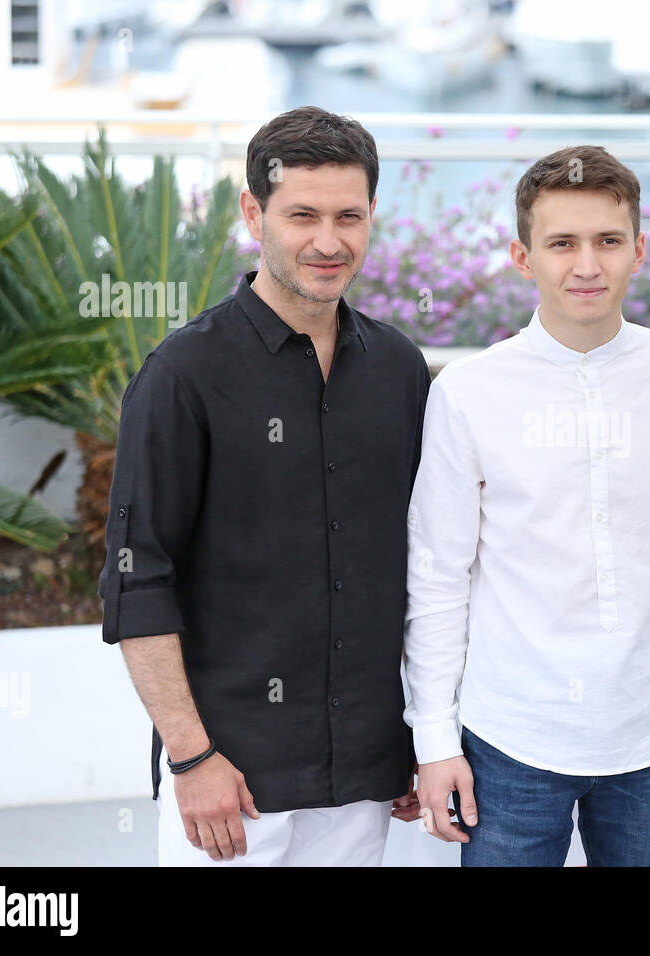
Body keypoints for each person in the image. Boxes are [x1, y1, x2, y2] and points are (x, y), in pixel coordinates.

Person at [98, 106, 430, 866]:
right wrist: (190, 757)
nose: (328, 242)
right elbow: (136, 579)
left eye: (349, 216)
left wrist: (420, 734)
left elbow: (425, 565)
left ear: (372, 215)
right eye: (302, 215)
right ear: (254, 214)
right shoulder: (183, 374)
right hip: (229, 782)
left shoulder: (400, 369)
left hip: (364, 776)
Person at [404, 145, 650, 866]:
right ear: (522, 257)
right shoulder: (468, 393)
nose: (587, 265)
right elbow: (437, 577)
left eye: (608, 241)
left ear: (639, 251)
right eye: (562, 243)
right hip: (509, 736)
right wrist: (433, 740)